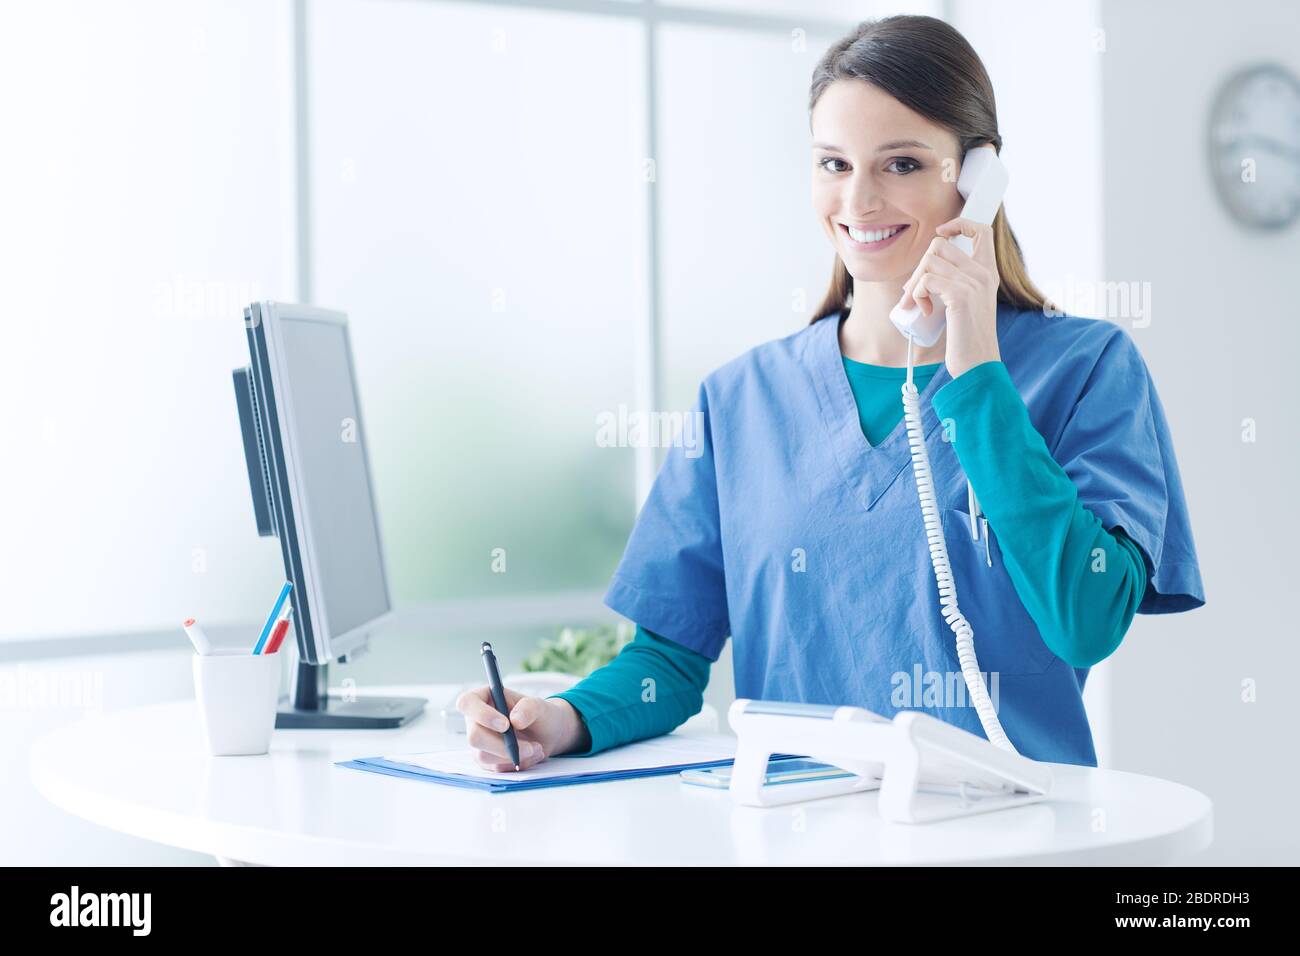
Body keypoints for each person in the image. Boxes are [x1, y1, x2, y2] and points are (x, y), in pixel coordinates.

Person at [457, 14, 1204, 771]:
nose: (860, 200)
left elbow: (1087, 619)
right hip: (794, 830)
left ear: (978, 176)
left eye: (902, 164)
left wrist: (976, 369)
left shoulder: (1088, 370)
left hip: (1015, 840)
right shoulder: (741, 400)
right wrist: (560, 718)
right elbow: (670, 664)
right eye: (834, 164)